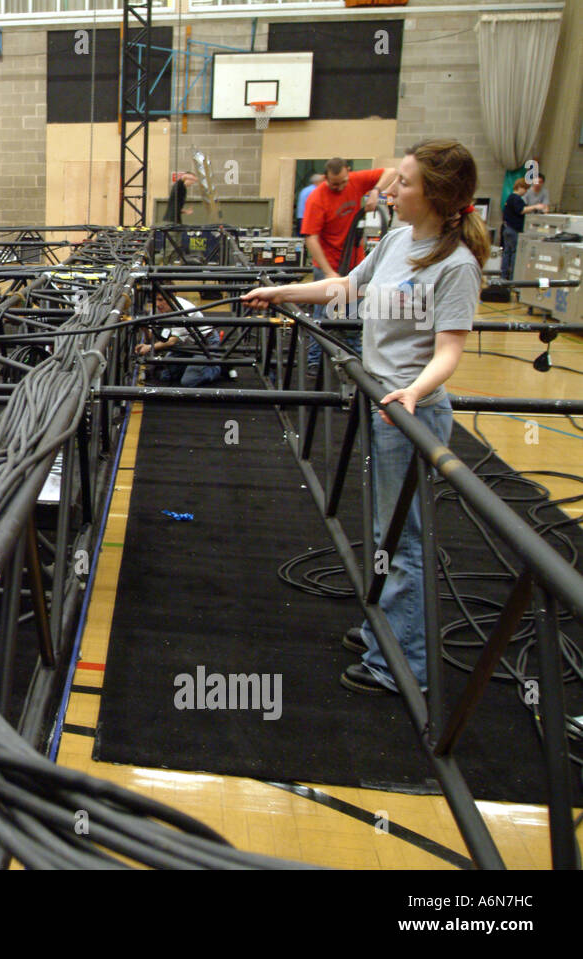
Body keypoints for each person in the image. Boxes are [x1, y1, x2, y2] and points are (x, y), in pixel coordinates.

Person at [244, 139, 486, 694]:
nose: (390, 189)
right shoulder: (399, 240)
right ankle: (387, 633)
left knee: (402, 539)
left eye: (404, 182)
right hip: (384, 403)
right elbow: (345, 289)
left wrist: (411, 393)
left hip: (410, 412)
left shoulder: (456, 265)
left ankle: (403, 668)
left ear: (436, 194)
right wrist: (281, 292)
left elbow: (449, 351)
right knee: (383, 530)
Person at [301, 158, 398, 367]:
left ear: (348, 172)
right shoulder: (317, 198)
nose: (340, 187)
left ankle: (358, 364)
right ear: (326, 179)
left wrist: (376, 191)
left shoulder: (355, 181)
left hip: (355, 264)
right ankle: (314, 364)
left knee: (355, 316)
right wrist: (328, 272)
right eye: (335, 184)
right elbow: (311, 237)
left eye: (343, 181)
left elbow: (391, 170)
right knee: (323, 317)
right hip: (329, 265)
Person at [135, 290, 224, 387]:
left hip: (205, 343)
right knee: (165, 376)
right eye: (155, 300)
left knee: (189, 381)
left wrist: (149, 347)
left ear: (172, 297)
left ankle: (219, 366)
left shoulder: (185, 309)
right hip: (185, 345)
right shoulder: (157, 308)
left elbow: (171, 342)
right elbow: (153, 337)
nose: (157, 304)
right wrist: (145, 330)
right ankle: (194, 365)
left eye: (161, 300)